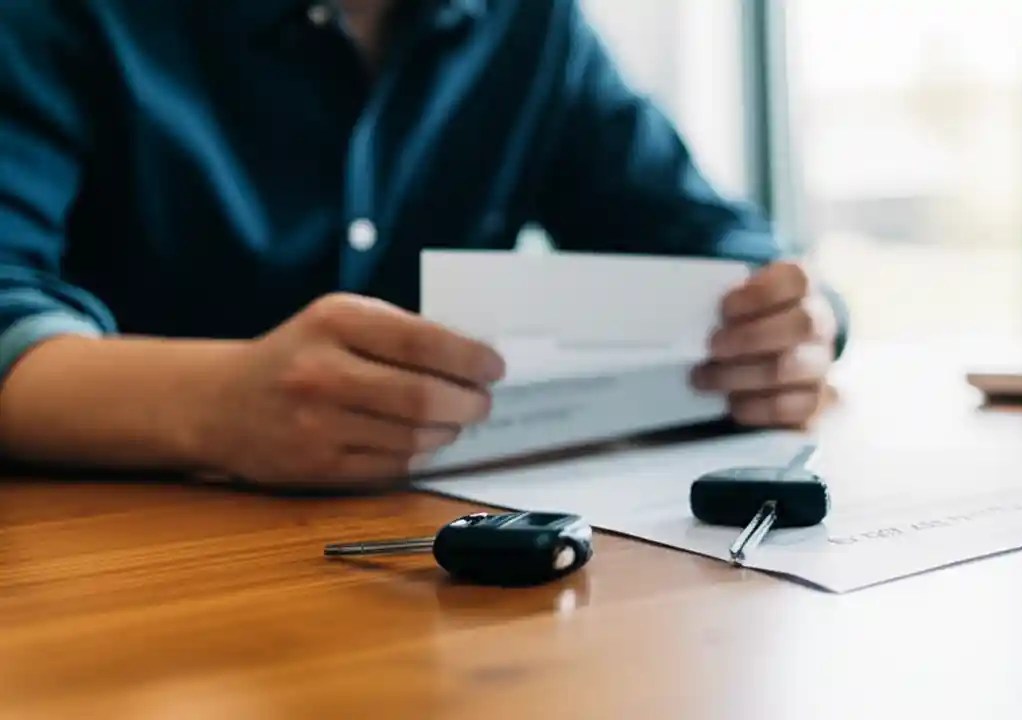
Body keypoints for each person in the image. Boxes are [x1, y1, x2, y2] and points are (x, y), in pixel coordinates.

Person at [0, 0, 848, 488]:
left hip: (425, 573)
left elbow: (727, 250)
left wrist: (801, 330)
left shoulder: (529, 24)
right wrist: (215, 407)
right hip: (112, 584)